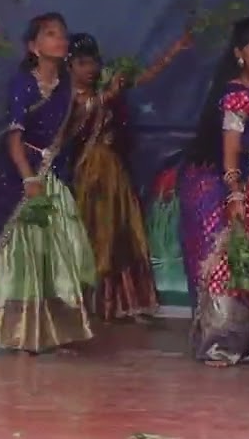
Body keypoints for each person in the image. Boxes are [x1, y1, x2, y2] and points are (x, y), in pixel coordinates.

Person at [0, 14, 98, 353]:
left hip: (54, 176)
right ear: (33, 46)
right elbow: (14, 136)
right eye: (50, 35)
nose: (60, 40)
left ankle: (53, 331)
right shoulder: (23, 84)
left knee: (57, 254)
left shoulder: (66, 85)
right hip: (24, 177)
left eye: (63, 34)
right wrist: (29, 177)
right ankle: (19, 332)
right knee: (23, 254)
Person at [176, 14, 249, 367]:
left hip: (247, 182)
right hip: (221, 184)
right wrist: (235, 194)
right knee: (224, 260)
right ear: (240, 53)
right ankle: (220, 343)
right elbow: (230, 150)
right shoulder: (237, 95)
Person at [66, 30, 190, 322]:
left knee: (123, 234)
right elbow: (71, 128)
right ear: (69, 65)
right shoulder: (65, 96)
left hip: (113, 171)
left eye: (93, 62)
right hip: (85, 174)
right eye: (82, 63)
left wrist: (175, 50)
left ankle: (123, 303)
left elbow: (143, 78)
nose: (90, 69)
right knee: (91, 235)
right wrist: (105, 97)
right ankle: (84, 304)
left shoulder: (106, 83)